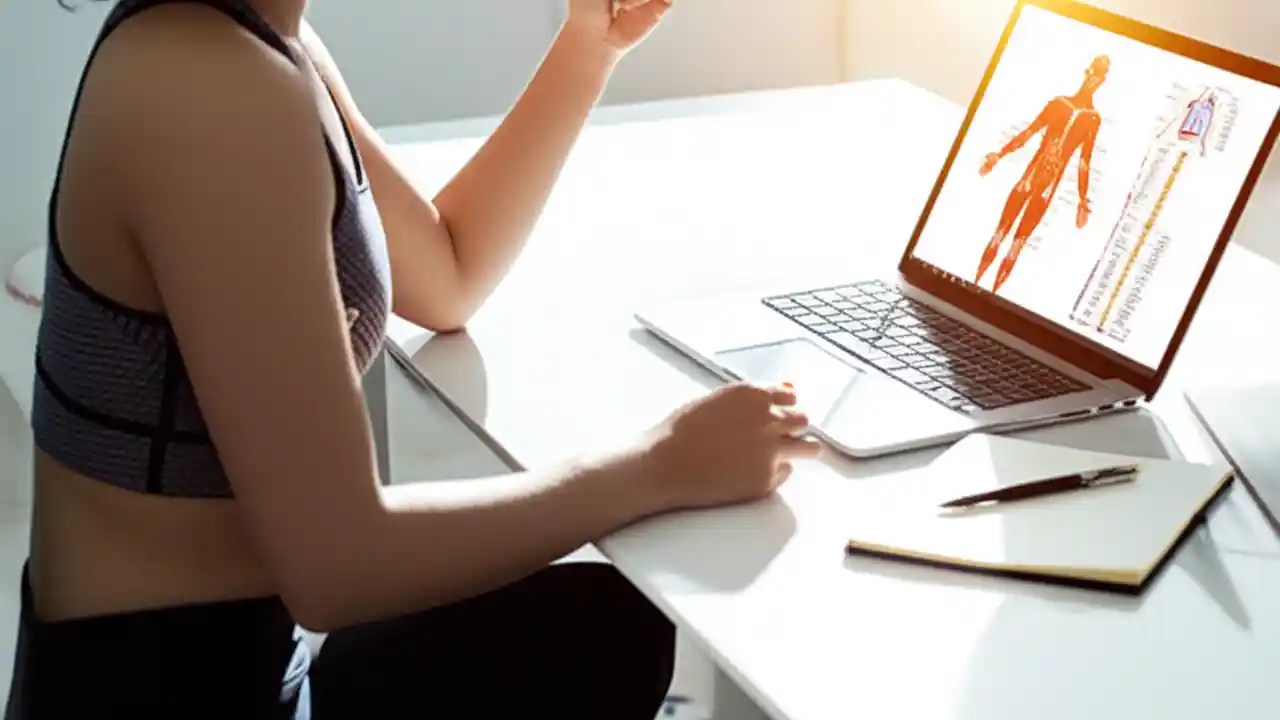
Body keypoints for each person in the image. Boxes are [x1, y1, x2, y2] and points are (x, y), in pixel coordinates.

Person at [8, 1, 822, 718]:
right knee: (603, 629)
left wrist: (590, 45)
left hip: (256, 656)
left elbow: (446, 275)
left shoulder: (271, 41)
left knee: (605, 628)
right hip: (165, 691)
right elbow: (338, 566)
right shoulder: (207, 81)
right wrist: (657, 466)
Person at [976, 54, 1110, 294]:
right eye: (1092, 73)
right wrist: (1000, 154)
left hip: (1046, 189)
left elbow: (1084, 161)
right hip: (1028, 179)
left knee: (1016, 246)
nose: (1093, 80)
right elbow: (1029, 132)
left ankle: (991, 296)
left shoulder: (1093, 118)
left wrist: (1082, 199)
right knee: (999, 235)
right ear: (1086, 72)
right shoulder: (1058, 104)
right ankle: (974, 285)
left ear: (1102, 82)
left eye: (1099, 77)